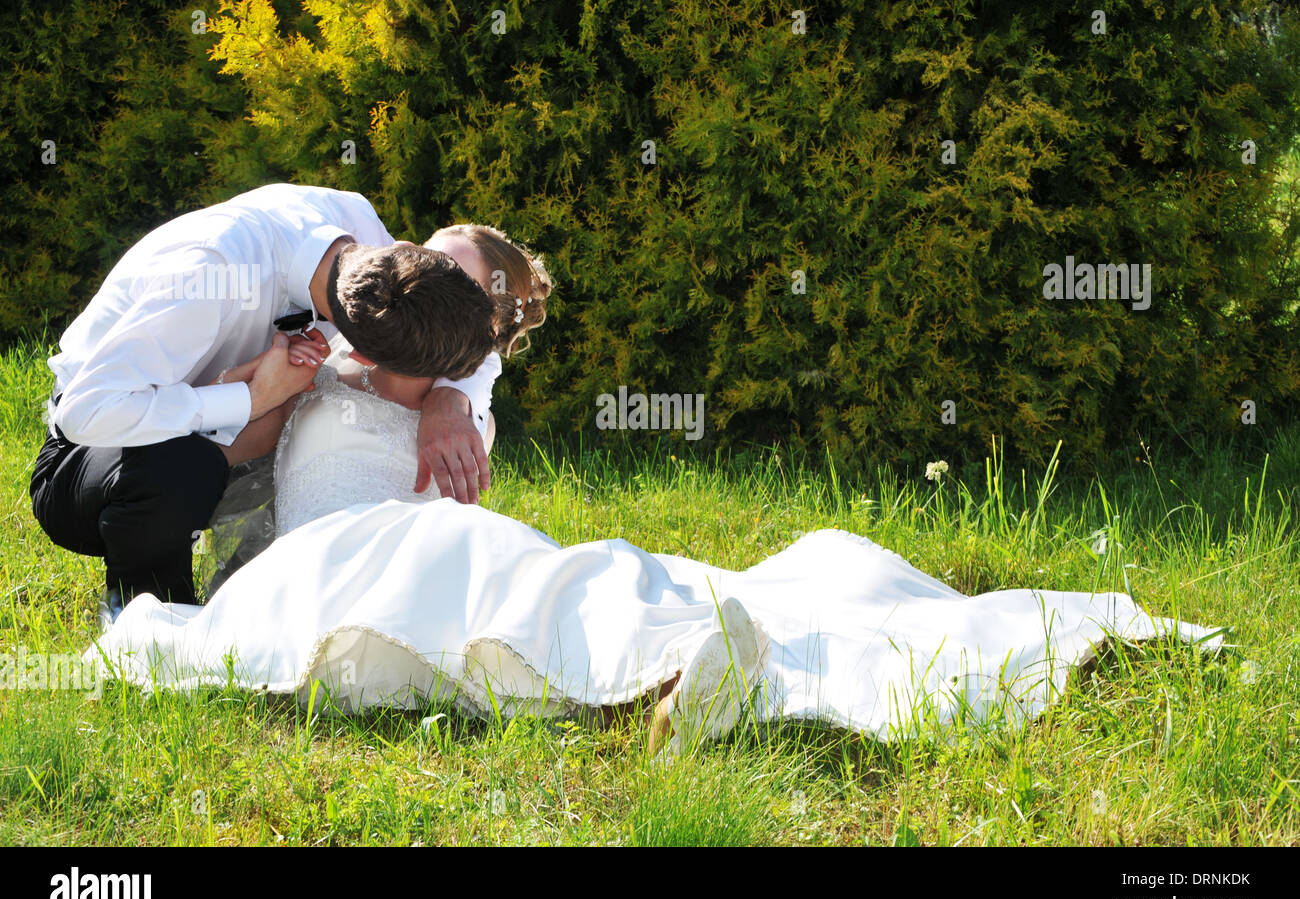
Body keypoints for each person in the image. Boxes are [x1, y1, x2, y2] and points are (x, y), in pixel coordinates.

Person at [84, 238, 1223, 756]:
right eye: (448, 275)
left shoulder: (460, 393)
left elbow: (460, 408)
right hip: (320, 560)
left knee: (551, 576)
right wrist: (261, 394)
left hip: (416, 535)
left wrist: (437, 401)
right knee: (461, 606)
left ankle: (683, 661)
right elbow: (242, 446)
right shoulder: (350, 330)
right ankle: (671, 666)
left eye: (478, 312)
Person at [30, 184, 504, 625]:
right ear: (359, 355)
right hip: (93, 451)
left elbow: (450, 329)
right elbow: (85, 412)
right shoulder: (209, 271)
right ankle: (145, 613)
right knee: (177, 467)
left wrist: (450, 396)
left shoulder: (372, 249)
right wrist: (249, 397)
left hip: (234, 434)